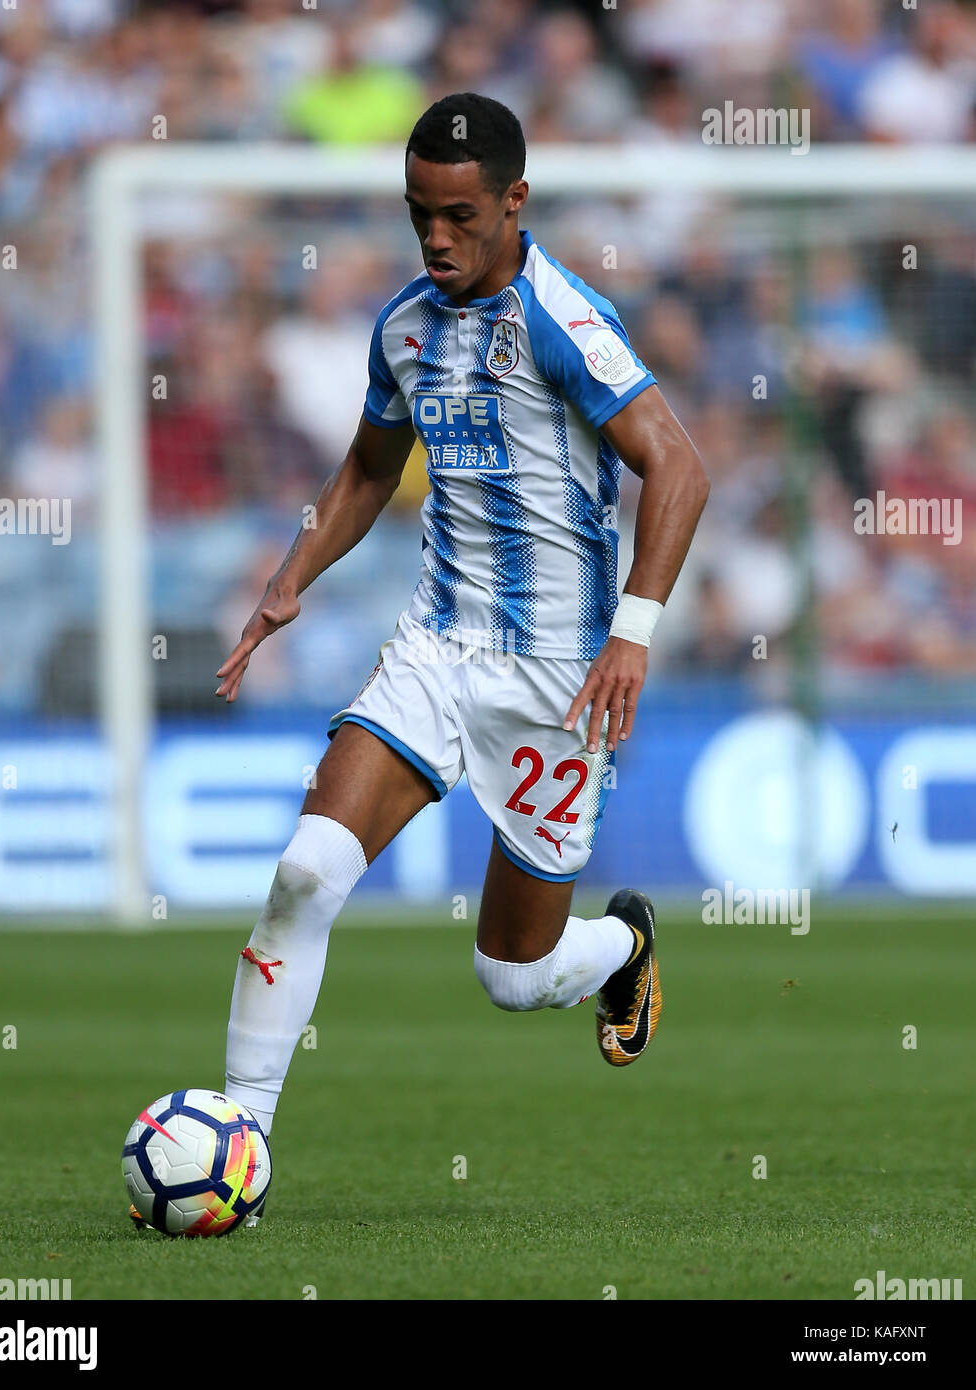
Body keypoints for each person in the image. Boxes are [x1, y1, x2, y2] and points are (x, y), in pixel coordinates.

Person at [213, 94, 708, 1219]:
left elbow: (678, 471)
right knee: (303, 874)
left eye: (459, 216)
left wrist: (632, 636)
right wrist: (289, 581)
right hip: (436, 648)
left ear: (514, 203)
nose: (435, 238)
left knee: (512, 975)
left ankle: (622, 944)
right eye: (417, 214)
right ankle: (241, 1132)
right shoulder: (403, 325)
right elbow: (363, 470)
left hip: (559, 678)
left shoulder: (561, 319)